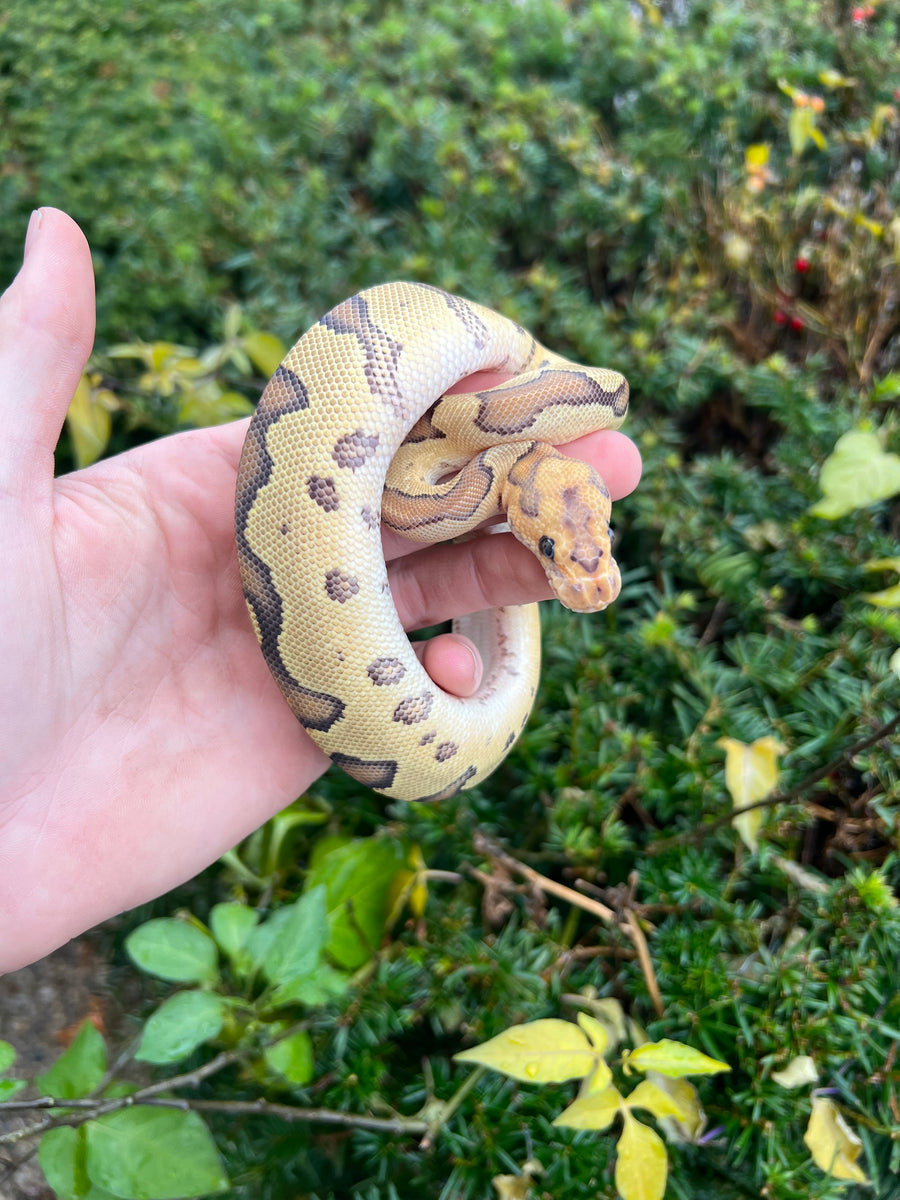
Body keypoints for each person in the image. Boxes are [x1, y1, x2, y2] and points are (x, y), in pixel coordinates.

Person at [0, 208, 642, 974]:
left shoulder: (497, 468)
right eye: (556, 551)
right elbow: (596, 403)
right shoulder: (457, 478)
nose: (581, 576)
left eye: (585, 549)